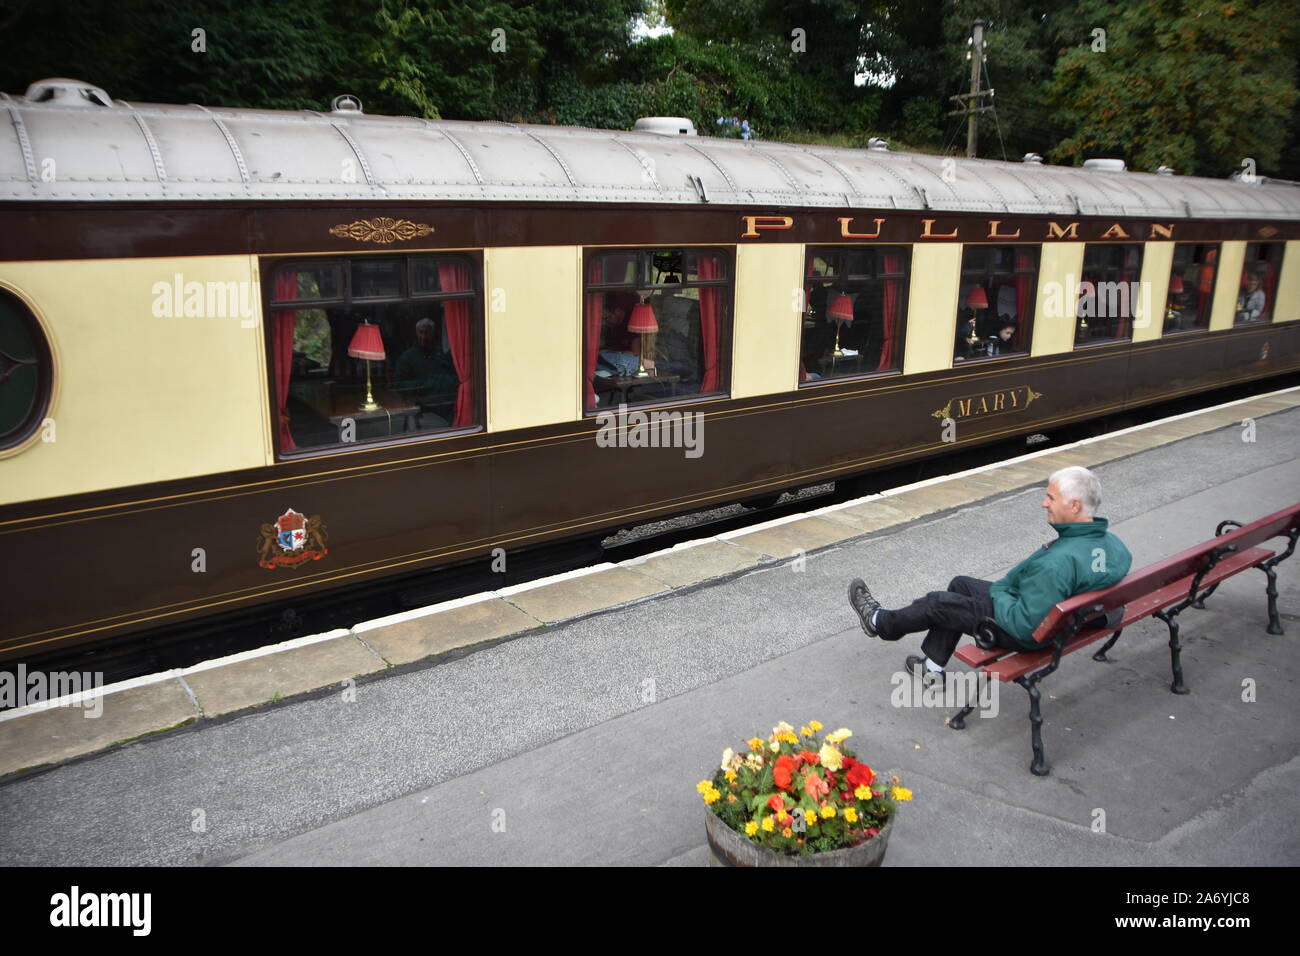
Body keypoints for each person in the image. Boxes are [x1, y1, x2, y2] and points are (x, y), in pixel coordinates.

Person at [847, 466, 1132, 683]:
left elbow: (1024, 626)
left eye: (1051, 497)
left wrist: (1000, 593)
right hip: (1060, 619)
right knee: (960, 584)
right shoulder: (1112, 545)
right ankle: (932, 669)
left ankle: (879, 621)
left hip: (1024, 631)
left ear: (1074, 506)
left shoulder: (1058, 563)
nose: (1044, 503)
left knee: (938, 603)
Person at [393, 317, 459, 419]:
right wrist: (424, 384)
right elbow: (398, 385)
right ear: (416, 333)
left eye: (427, 332)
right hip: (420, 411)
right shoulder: (407, 357)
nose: (423, 336)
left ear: (433, 333)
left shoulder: (441, 354)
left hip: (445, 408)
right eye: (421, 332)